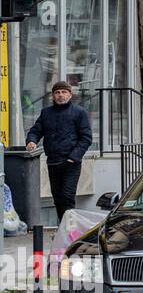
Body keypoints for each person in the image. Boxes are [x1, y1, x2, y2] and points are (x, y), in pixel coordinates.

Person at [25, 81, 93, 220]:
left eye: (64, 92)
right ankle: (63, 227)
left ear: (70, 94)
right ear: (53, 96)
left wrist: (73, 157)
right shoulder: (46, 113)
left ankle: (69, 230)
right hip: (53, 162)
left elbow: (86, 138)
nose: (60, 95)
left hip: (71, 163)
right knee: (57, 198)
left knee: (67, 197)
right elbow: (36, 130)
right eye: (57, 92)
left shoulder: (80, 113)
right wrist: (31, 141)